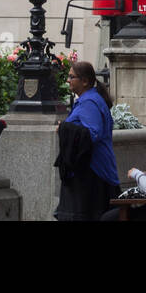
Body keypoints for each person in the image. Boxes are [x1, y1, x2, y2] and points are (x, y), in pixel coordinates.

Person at [55, 61, 119, 220]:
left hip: (93, 173)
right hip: (89, 172)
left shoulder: (90, 102)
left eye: (72, 77)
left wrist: (64, 128)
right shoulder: (89, 99)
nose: (68, 80)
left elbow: (92, 133)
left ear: (84, 81)